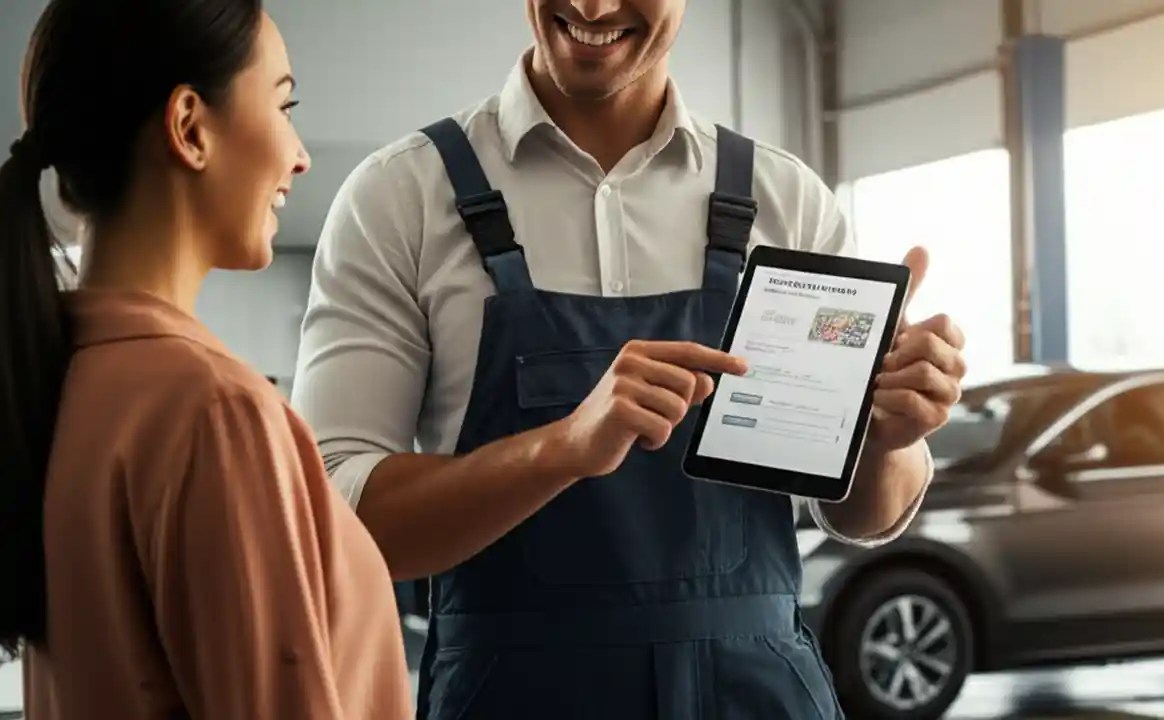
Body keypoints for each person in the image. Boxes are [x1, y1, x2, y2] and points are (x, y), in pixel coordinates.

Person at [293, 0, 967, 716]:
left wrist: (890, 440)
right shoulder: (400, 198)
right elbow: (333, 517)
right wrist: (562, 449)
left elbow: (859, 516)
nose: (592, 6)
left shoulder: (787, 200)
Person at [0, 1, 412, 717]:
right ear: (190, 127)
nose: (300, 154)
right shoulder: (217, 413)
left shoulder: (61, 380)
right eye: (285, 106)